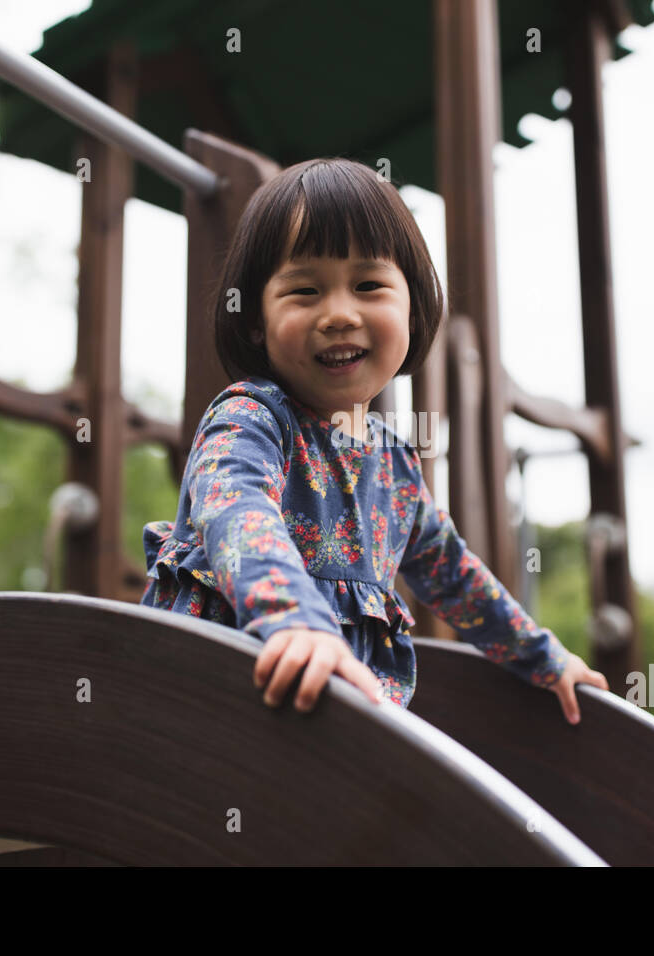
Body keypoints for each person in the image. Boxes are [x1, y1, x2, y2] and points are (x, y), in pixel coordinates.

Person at [141, 157, 608, 722]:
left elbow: (455, 577)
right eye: (304, 291)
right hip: (212, 704)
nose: (339, 313)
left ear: (412, 305)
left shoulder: (394, 464)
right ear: (255, 321)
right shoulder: (251, 421)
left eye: (368, 285)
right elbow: (235, 511)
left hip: (334, 727)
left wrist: (543, 657)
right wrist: (295, 621)